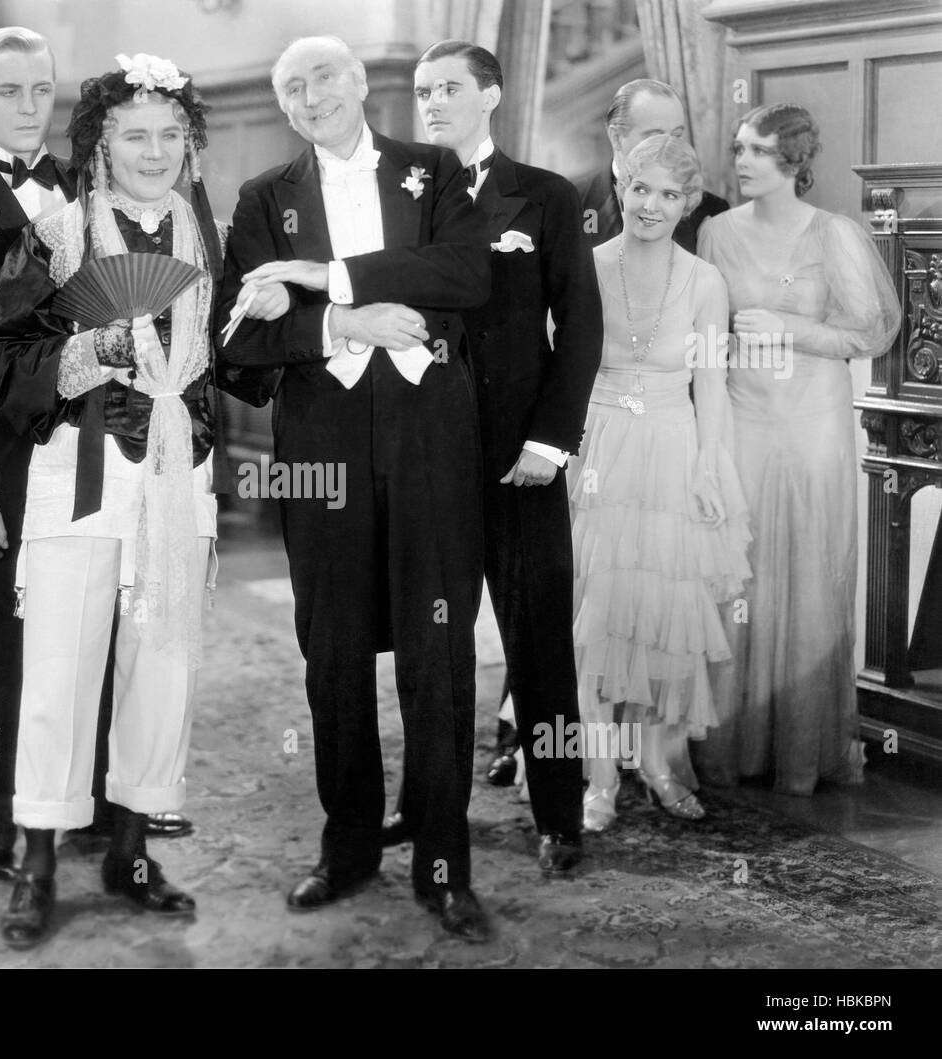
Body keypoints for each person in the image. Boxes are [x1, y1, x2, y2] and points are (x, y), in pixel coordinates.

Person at [0, 53, 274, 948]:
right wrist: (94, 350)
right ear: (100, 146)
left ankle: (133, 850)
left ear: (190, 143)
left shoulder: (208, 235)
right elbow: (0, 358)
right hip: (82, 472)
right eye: (134, 136)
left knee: (163, 662)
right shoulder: (58, 236)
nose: (154, 152)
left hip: (179, 474)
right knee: (59, 669)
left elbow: (233, 357)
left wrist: (280, 322)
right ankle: (37, 858)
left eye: (169, 135)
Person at [218, 36, 493, 942]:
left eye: (325, 77)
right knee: (332, 651)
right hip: (320, 451)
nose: (311, 96)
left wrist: (321, 277)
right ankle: (347, 848)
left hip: (432, 442)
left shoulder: (434, 170)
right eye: (292, 86)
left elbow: (467, 274)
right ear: (283, 105)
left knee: (438, 654)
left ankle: (443, 862)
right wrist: (344, 320)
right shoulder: (264, 199)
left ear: (362, 82)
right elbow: (238, 343)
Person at [380, 40, 601, 872]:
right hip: (427, 458)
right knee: (429, 647)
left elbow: (580, 325)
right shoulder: (400, 199)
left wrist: (549, 441)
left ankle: (560, 816)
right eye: (423, 90)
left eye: (449, 88)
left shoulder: (544, 196)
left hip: (521, 460)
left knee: (539, 643)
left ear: (492, 95)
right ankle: (426, 806)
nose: (432, 102)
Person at [694, 104, 901, 796]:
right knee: (740, 576)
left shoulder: (834, 234)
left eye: (756, 151)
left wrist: (790, 329)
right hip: (742, 417)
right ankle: (735, 746)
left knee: (811, 578)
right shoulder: (717, 232)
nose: (741, 162)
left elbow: (869, 332)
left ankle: (803, 753)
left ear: (793, 161)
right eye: (739, 148)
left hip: (813, 422)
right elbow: (705, 333)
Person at [571, 134, 751, 830]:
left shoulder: (705, 281)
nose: (651, 205)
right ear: (620, 187)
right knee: (595, 622)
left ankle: (656, 765)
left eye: (669, 194)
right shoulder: (584, 266)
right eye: (640, 188)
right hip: (597, 449)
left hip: (675, 450)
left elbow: (712, 382)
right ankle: (597, 779)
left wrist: (709, 466)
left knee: (661, 626)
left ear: (689, 203)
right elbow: (562, 372)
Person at [575, 79, 728, 254]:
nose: (668, 148)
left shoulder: (710, 211)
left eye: (677, 135)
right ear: (616, 137)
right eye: (654, 136)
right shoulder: (570, 201)